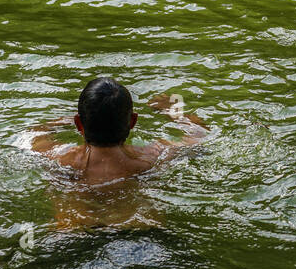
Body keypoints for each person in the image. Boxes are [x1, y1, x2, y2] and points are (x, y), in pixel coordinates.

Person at [28, 77, 210, 187]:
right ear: (133, 121)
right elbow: (200, 134)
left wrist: (73, 118)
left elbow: (33, 134)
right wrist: (173, 112)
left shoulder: (60, 159)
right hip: (140, 233)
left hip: (74, 233)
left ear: (79, 123)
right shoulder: (151, 157)